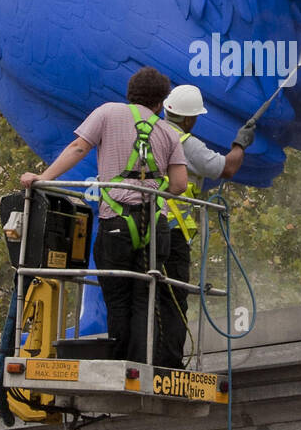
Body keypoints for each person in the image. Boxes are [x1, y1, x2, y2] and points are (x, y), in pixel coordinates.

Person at [21, 67, 187, 364]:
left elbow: (78, 147)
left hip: (117, 226)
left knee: (117, 300)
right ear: (160, 103)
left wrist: (42, 178)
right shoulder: (168, 133)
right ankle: (142, 363)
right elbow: (179, 185)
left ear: (129, 93)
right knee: (143, 299)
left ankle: (121, 364)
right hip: (155, 227)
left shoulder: (108, 113)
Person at [158, 84, 255, 367]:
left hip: (140, 228)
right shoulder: (185, 143)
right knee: (174, 300)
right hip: (173, 233)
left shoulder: (149, 134)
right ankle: (169, 365)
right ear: (189, 119)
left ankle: (147, 356)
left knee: (147, 295)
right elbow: (227, 167)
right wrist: (241, 144)